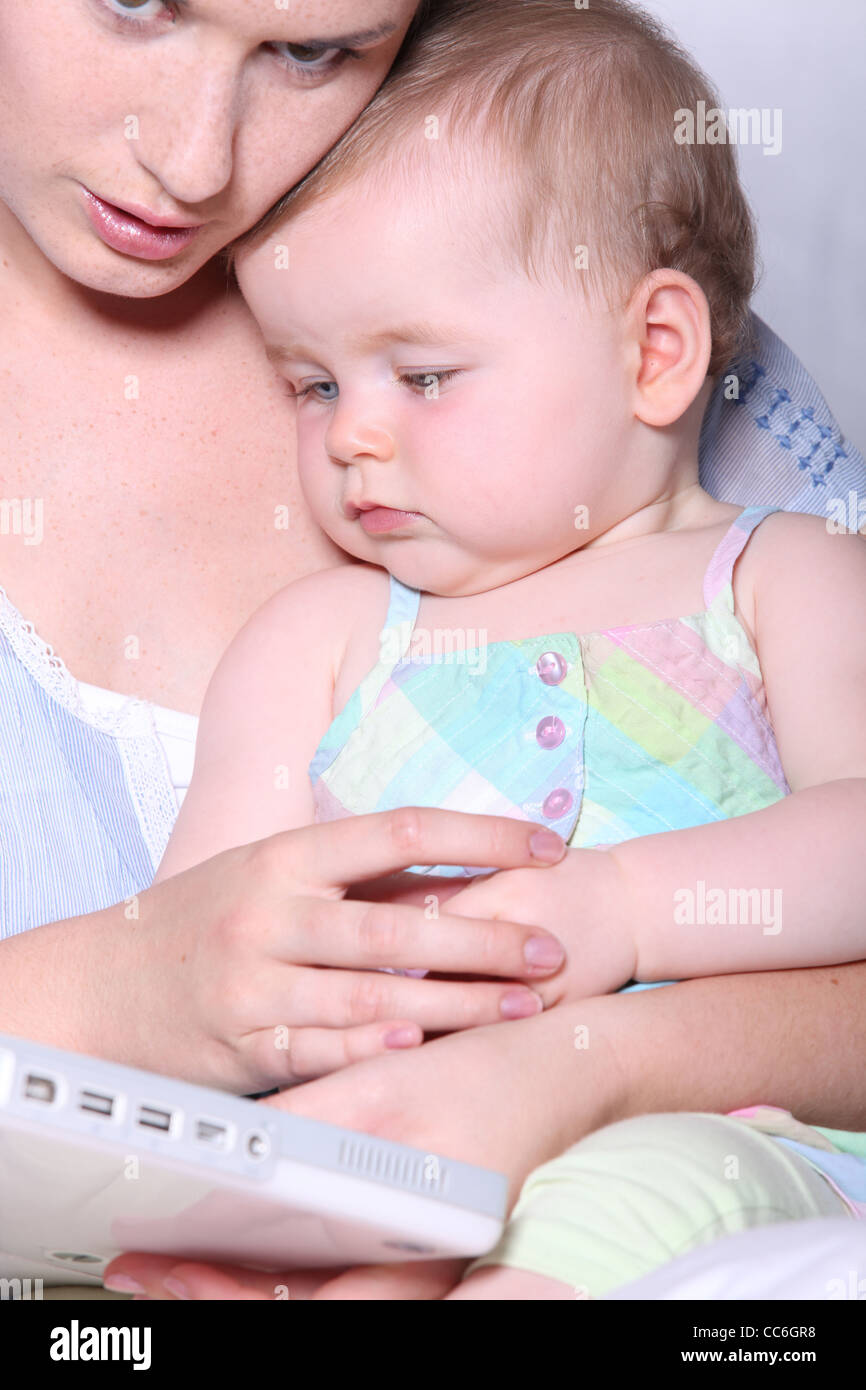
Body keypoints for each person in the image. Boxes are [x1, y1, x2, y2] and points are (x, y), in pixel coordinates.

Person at [0, 0, 862, 1301]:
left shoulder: (766, 549)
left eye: (311, 51)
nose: (194, 160)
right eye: (313, 385)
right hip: (381, 1165)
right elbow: (208, 937)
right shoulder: (331, 635)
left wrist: (611, 964)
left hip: (702, 1165)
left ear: (656, 348)